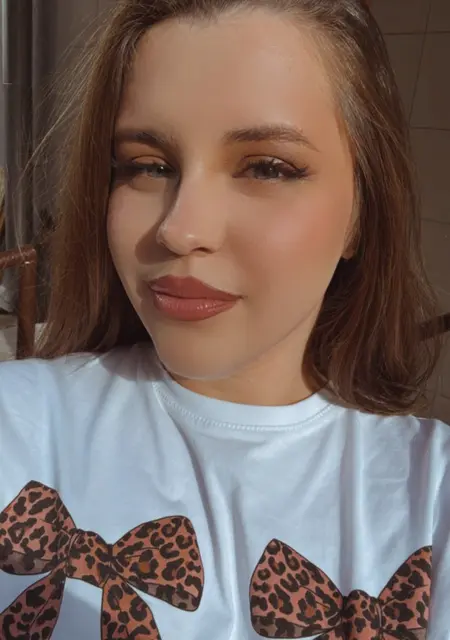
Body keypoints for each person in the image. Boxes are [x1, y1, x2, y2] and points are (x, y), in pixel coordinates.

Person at [0, 0, 448, 638]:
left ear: (360, 214)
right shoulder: (17, 423)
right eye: (148, 166)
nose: (181, 229)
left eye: (268, 167)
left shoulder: (431, 497)